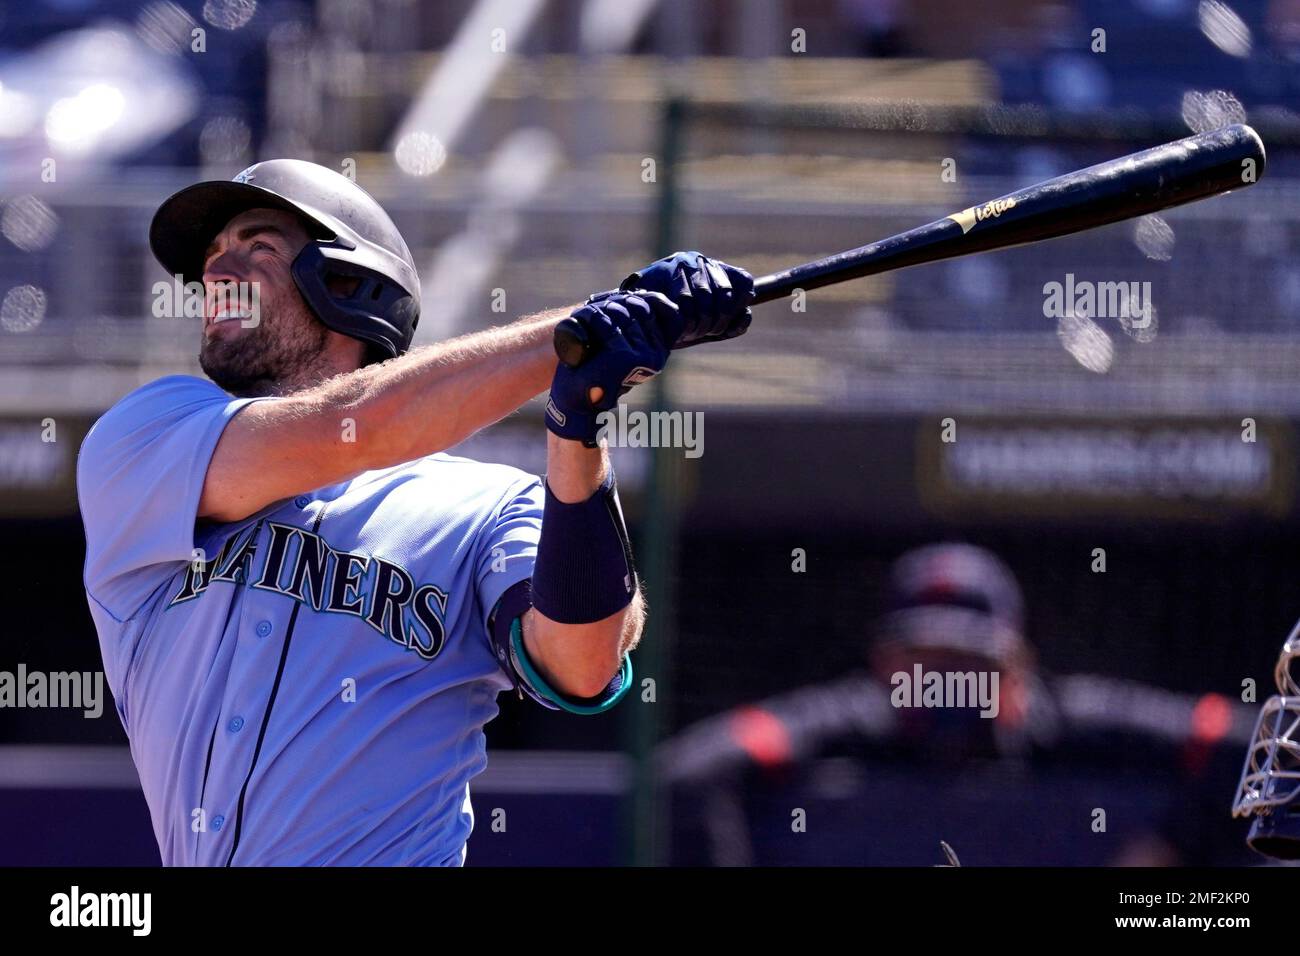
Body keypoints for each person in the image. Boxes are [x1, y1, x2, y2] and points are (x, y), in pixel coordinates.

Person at [75, 158, 753, 865]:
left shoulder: (488, 506)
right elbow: (362, 424)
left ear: (347, 283)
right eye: (211, 258)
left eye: (258, 246)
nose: (217, 272)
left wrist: (577, 427)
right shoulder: (146, 436)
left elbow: (581, 665)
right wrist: (583, 331)